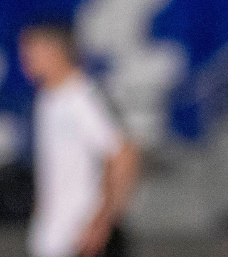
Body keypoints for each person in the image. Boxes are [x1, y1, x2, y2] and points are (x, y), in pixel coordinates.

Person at [18, 22, 139, 257]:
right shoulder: (48, 97)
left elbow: (125, 155)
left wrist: (103, 221)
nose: (24, 58)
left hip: (81, 235)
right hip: (53, 234)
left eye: (30, 51)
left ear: (54, 51)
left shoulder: (83, 96)